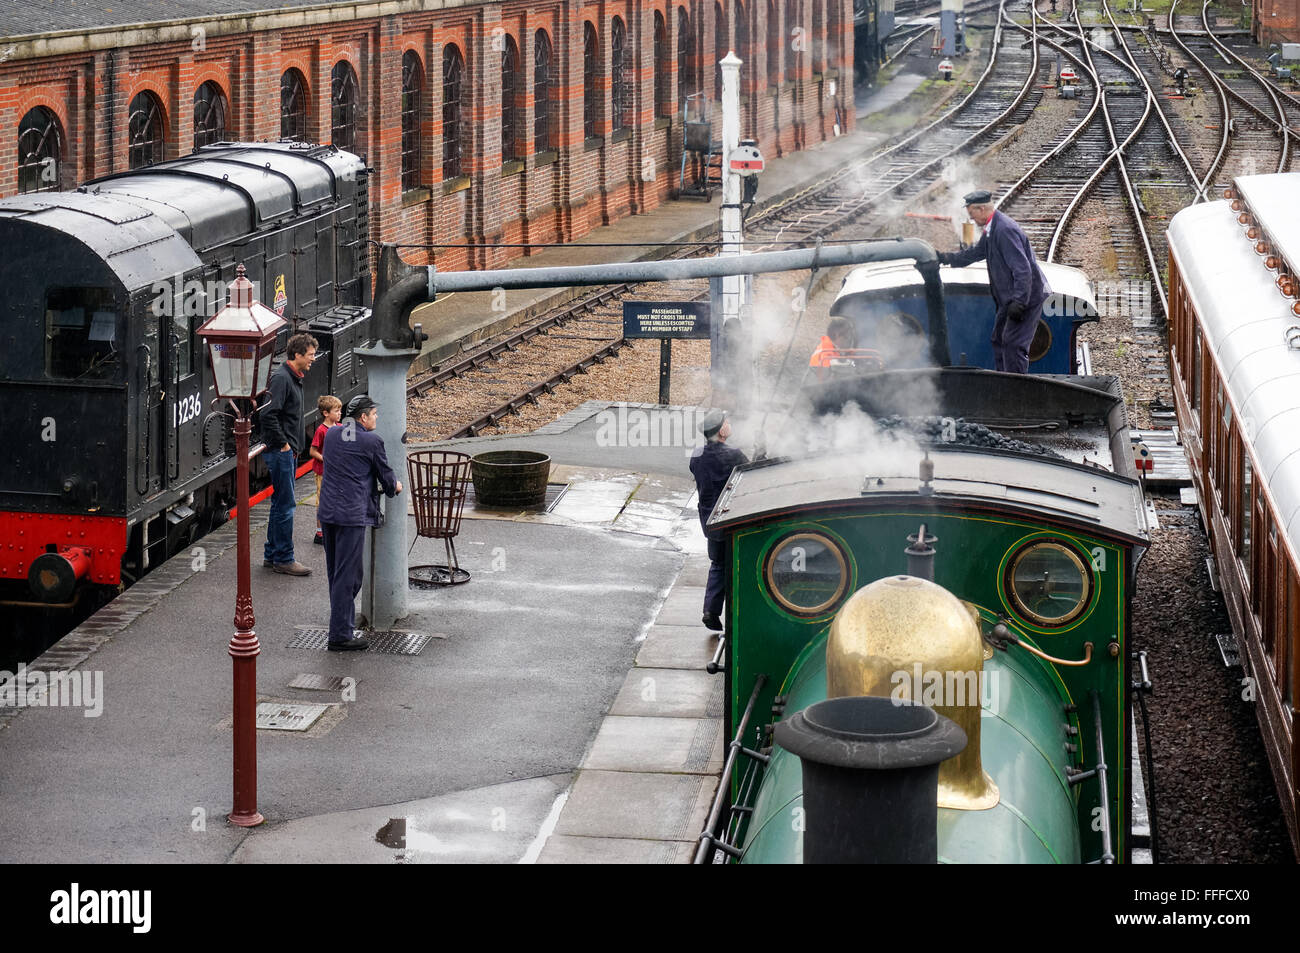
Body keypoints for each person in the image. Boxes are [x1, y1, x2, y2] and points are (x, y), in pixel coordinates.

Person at [317, 395, 402, 651]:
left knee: (337, 572)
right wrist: (395, 486)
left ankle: (340, 624)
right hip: (351, 515)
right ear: (363, 417)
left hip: (329, 513)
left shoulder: (332, 434)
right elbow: (386, 477)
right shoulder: (371, 441)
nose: (376, 418)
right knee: (350, 576)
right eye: (374, 414)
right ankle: (340, 634)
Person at [936, 190, 1051, 375]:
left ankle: (1016, 391)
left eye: (971, 214)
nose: (971, 219)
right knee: (998, 339)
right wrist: (946, 258)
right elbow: (975, 253)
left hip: (1025, 297)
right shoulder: (992, 228)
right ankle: (1003, 382)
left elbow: (1023, 270)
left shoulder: (1004, 230)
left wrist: (1019, 303)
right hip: (1009, 298)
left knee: (1014, 344)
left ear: (982, 209)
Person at [261, 332, 318, 575]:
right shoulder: (283, 379)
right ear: (297, 355)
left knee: (279, 504)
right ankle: (284, 558)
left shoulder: (292, 377)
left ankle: (272, 554)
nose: (313, 359)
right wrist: (284, 444)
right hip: (282, 452)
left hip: (287, 451)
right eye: (311, 355)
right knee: (286, 506)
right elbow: (268, 414)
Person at [689, 410, 749, 633]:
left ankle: (711, 610)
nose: (730, 424)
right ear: (722, 430)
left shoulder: (697, 455)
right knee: (735, 564)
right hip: (731, 518)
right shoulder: (733, 455)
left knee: (717, 564)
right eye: (727, 422)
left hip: (709, 520)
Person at [309, 395, 343, 546]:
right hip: (323, 471)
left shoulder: (341, 427)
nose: (339, 413)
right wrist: (325, 459)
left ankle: (332, 527)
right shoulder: (321, 431)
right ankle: (319, 532)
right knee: (322, 500)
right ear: (326, 413)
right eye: (337, 411)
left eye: (340, 410)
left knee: (336, 499)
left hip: (337, 472)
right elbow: (312, 451)